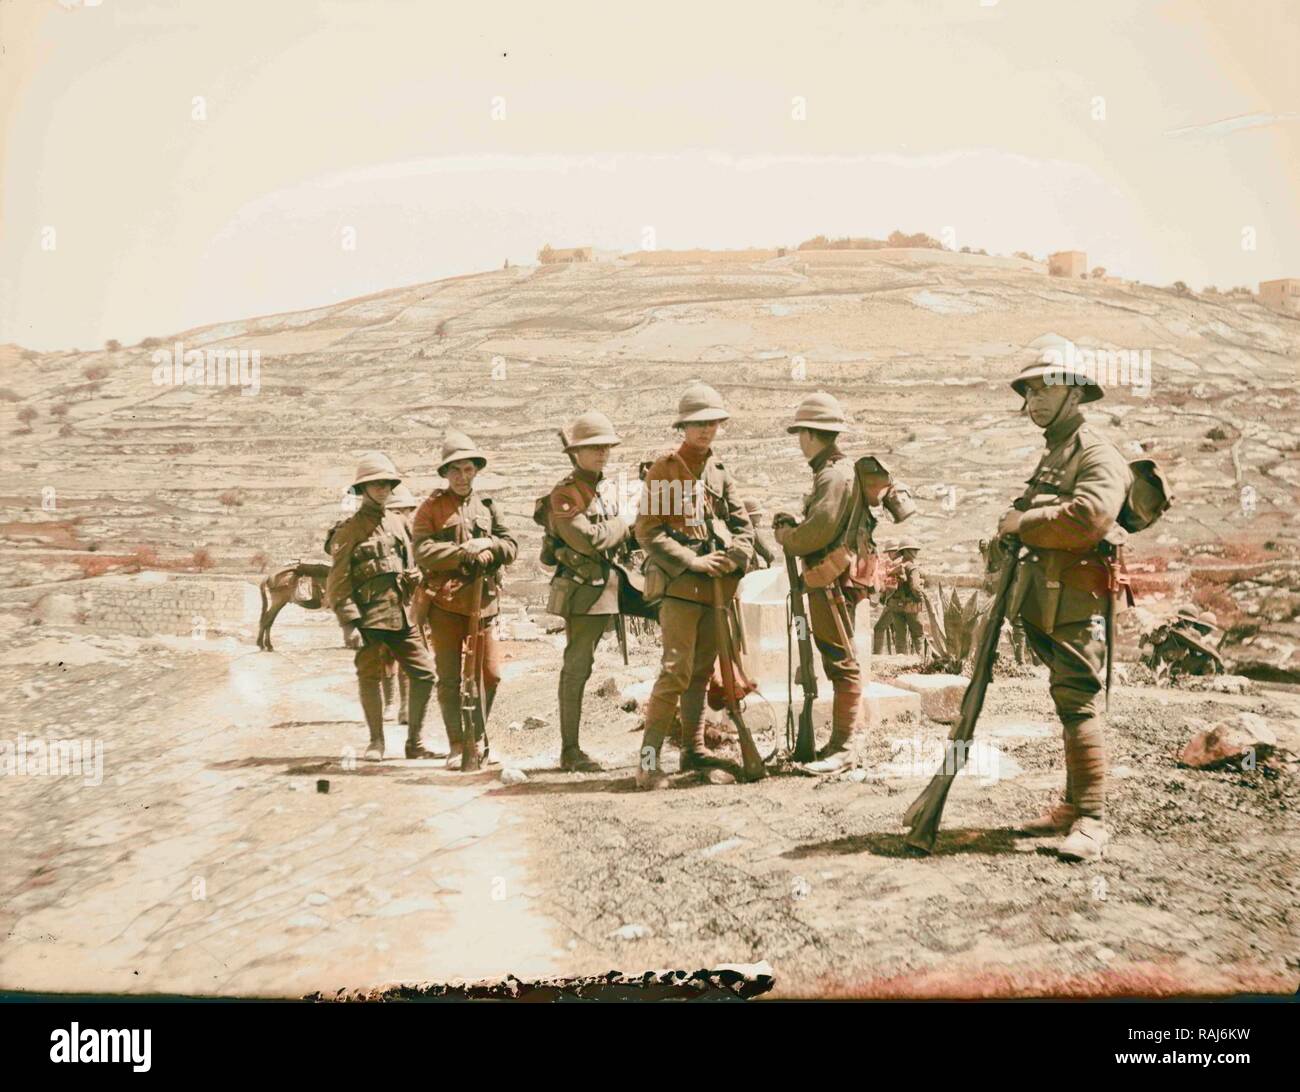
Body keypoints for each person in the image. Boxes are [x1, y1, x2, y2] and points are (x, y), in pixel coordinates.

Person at [1000, 335, 1131, 862]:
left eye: (1045, 387)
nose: (1034, 400)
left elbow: (1090, 517)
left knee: (1078, 698)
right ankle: (1070, 807)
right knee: (1066, 697)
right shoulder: (1057, 451)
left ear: (1075, 393)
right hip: (1051, 596)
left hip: (1081, 597)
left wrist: (1023, 522)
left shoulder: (1095, 452)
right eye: (1028, 391)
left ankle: (1093, 821)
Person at [633, 382, 754, 789]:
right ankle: (648, 762)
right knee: (675, 672)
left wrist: (732, 558)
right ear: (683, 427)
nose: (706, 431)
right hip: (681, 588)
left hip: (716, 590)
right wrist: (695, 561)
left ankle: (693, 748)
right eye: (698, 424)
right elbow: (649, 531)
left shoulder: (719, 473)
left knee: (701, 673)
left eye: (713, 423)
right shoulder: (666, 470)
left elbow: (744, 527)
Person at [324, 452, 441, 762]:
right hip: (369, 616)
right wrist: (348, 624)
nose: (381, 489)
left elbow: (412, 559)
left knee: (426, 673)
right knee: (370, 675)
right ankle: (376, 741)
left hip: (404, 615)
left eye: (386, 484)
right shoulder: (350, 529)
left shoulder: (400, 522)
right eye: (374, 484)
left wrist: (416, 574)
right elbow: (338, 581)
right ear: (363, 489)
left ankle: (414, 743)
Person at [772, 392, 866, 770]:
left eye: (801, 434)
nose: (799, 441)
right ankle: (840, 744)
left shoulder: (831, 475)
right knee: (838, 657)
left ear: (810, 435)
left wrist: (787, 538)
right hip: (831, 581)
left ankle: (844, 747)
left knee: (841, 660)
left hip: (831, 583)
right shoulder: (836, 472)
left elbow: (818, 531)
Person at [413, 431, 517, 768]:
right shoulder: (430, 508)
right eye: (455, 470)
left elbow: (510, 546)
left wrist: (489, 547)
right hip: (445, 604)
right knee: (450, 677)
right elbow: (423, 551)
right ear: (445, 473)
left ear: (476, 471)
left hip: (483, 603)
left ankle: (478, 739)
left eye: (468, 469)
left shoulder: (488, 506)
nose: (462, 477)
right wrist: (463, 552)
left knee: (489, 675)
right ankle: (457, 744)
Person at [536, 411, 634, 772]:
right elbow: (588, 539)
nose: (602, 452)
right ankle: (570, 750)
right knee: (578, 666)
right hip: (584, 589)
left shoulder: (600, 491)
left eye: (606, 447)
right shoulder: (564, 494)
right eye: (593, 447)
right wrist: (626, 523)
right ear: (576, 452)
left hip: (613, 582)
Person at [744, 498, 777, 570]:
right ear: (750, 516)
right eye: (758, 514)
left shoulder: (735, 528)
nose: (761, 516)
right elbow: (767, 554)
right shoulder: (751, 531)